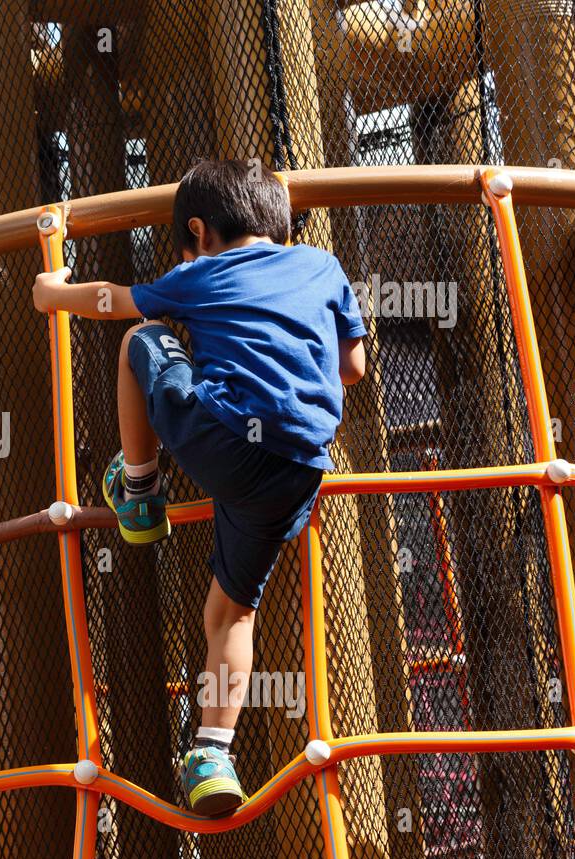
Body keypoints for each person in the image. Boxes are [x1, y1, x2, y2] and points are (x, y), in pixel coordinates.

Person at [31, 159, 367, 817]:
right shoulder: (323, 267)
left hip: (222, 439)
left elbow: (112, 300)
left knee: (143, 338)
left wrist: (50, 293)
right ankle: (213, 750)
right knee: (232, 612)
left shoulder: (200, 272)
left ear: (197, 231)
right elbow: (352, 366)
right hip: (299, 468)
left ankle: (139, 489)